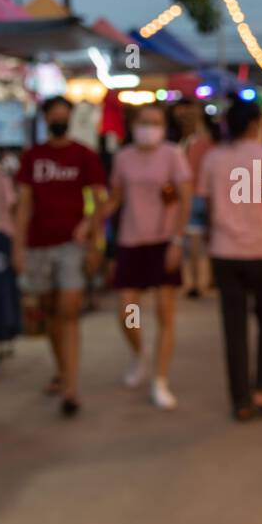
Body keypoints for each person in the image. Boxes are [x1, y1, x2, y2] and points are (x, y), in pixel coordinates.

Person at [198, 99, 262, 421]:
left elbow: (210, 210)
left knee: (233, 326)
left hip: (225, 253)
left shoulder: (213, 158)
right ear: (255, 124)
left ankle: (240, 400)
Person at [12, 96, 108, 416]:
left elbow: (98, 200)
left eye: (62, 115)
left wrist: (93, 235)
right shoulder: (33, 157)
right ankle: (61, 369)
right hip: (39, 244)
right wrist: (18, 245)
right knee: (51, 310)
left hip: (71, 244)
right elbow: (24, 204)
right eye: (53, 115)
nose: (58, 120)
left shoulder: (84, 156)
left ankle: (70, 387)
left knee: (69, 310)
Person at [94, 104, 192, 409]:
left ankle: (159, 380)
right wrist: (93, 220)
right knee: (127, 311)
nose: (150, 127)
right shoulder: (123, 158)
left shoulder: (172, 155)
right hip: (131, 241)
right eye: (144, 121)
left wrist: (177, 240)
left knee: (165, 314)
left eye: (156, 122)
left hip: (163, 241)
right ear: (133, 124)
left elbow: (184, 198)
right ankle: (141, 354)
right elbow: (116, 198)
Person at [173, 100, 214, 298]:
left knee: (193, 244)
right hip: (207, 194)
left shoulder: (187, 143)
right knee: (207, 240)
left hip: (193, 195)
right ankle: (207, 280)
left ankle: (195, 282)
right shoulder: (210, 142)